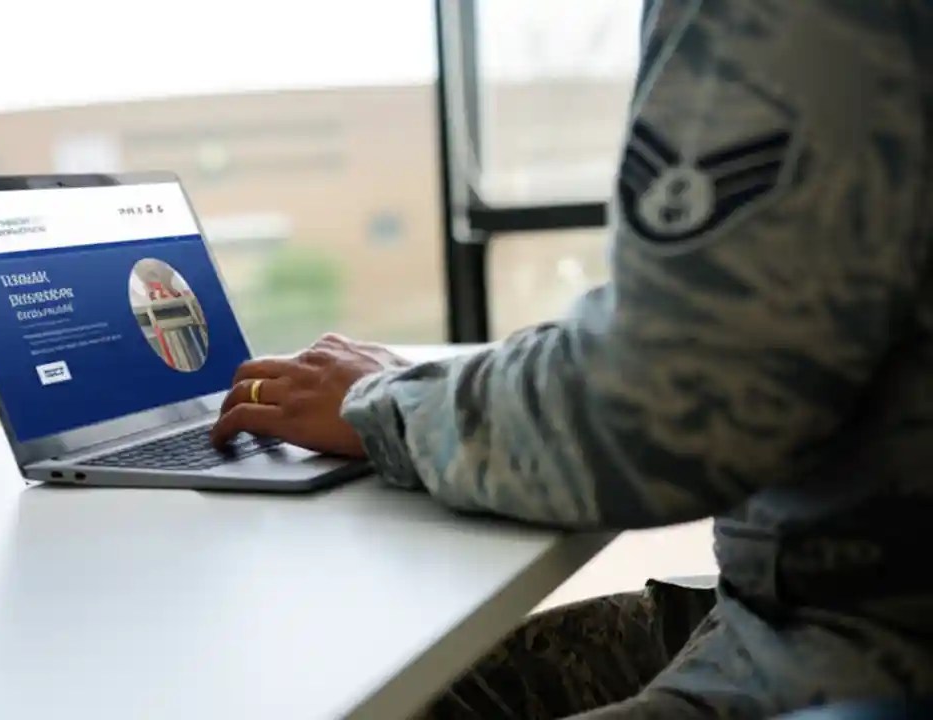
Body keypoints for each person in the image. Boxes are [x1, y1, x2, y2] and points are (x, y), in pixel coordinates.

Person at [210, 1, 933, 717]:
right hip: (820, 605)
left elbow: (664, 412)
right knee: (435, 690)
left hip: (855, 654)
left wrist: (391, 406)